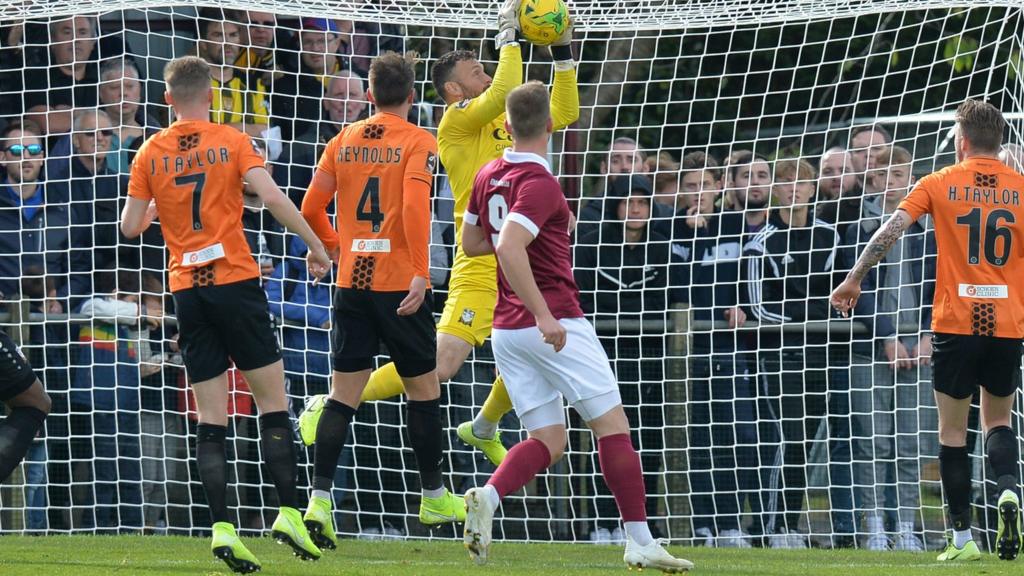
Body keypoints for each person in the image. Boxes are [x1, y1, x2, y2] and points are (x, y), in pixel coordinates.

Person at [299, 0, 580, 467]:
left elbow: (564, 110)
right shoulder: (456, 122)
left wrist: (564, 54)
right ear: (454, 89)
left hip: (530, 256)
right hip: (483, 258)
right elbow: (506, 85)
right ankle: (331, 403)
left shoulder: (506, 119)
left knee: (543, 346)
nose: (488, 76)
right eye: (476, 71)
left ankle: (483, 425)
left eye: (486, 68)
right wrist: (508, 40)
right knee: (442, 365)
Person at [459, 81, 691, 572]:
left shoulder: (488, 173)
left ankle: (490, 495)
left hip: (507, 329)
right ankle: (640, 539)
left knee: (549, 440)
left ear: (504, 124)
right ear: (549, 126)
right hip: (554, 320)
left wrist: (517, 246)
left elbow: (473, 243)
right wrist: (544, 311)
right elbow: (505, 247)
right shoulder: (540, 183)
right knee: (613, 426)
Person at [120, 55, 331, 572]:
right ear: (210, 95)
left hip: (187, 292)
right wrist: (318, 246)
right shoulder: (233, 141)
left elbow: (128, 229)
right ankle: (287, 512)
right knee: (272, 406)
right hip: (236, 281)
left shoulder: (149, 152)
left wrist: (153, 210)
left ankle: (221, 528)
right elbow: (275, 198)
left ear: (167, 99)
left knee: (210, 418)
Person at [832, 99, 1024, 563]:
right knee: (998, 421)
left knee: (952, 433)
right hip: (1006, 323)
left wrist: (854, 278)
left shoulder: (938, 182)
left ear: (961, 142)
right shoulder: (1021, 186)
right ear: (999, 144)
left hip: (955, 324)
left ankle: (960, 539)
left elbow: (889, 232)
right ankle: (1009, 489)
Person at [297, 50, 465, 551]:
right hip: (397, 286)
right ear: (413, 97)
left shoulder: (341, 140)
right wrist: (419, 271)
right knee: (424, 390)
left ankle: (320, 499)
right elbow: (415, 205)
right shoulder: (419, 140)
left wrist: (331, 247)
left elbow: (309, 207)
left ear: (369, 95)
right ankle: (433, 494)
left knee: (343, 394)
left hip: (352, 284)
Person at [743, 158, 854, 547]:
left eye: (801, 183)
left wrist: (816, 312)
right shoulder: (761, 244)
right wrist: (810, 312)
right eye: (786, 182)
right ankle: (769, 527)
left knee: (808, 441)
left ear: (812, 190)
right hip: (780, 357)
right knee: (782, 440)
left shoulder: (832, 237)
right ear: (776, 190)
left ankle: (790, 524)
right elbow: (759, 309)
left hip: (824, 354)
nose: (793, 189)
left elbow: (844, 296)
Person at [842, 145, 933, 551]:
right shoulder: (858, 229)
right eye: (887, 177)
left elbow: (941, 286)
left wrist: (930, 333)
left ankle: (907, 527)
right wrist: (887, 336)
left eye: (902, 177)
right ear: (873, 181)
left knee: (911, 444)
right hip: (871, 351)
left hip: (922, 350)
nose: (895, 184)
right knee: (872, 441)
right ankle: (874, 525)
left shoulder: (929, 228)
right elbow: (856, 292)